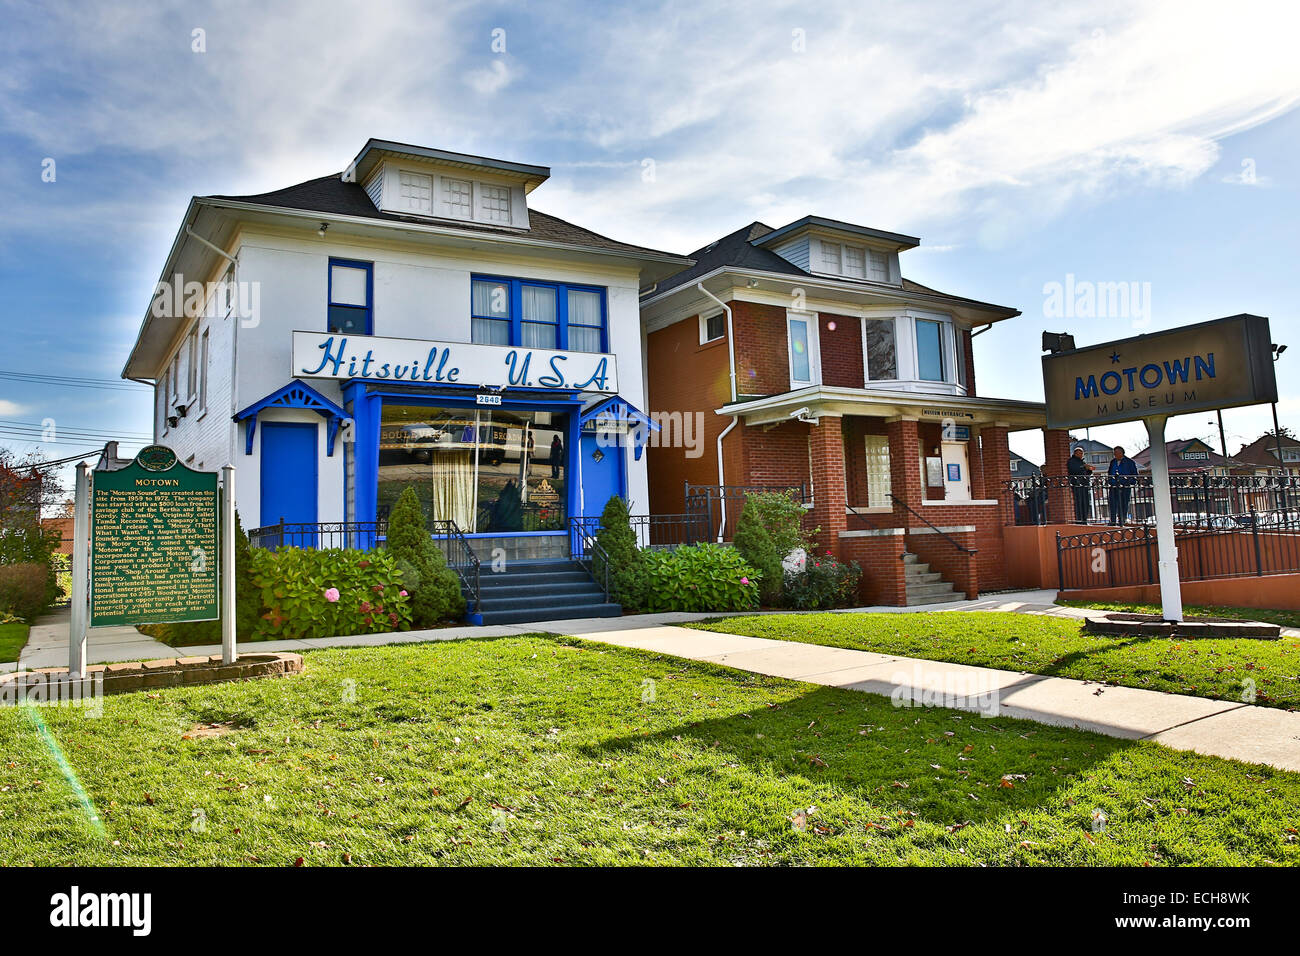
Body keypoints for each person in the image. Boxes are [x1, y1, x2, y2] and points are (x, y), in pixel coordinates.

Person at [1107, 445, 1138, 525]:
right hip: (1114, 486)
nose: (1115, 455)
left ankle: (1122, 520)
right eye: (1114, 453)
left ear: (1122, 453)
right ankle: (1113, 520)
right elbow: (1109, 473)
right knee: (1113, 503)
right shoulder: (1113, 462)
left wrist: (1129, 482)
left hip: (1125, 486)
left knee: (1124, 503)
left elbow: (1134, 474)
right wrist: (1110, 481)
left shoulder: (1129, 462)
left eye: (1117, 453)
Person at [1067, 446, 1095, 523]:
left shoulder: (1082, 462)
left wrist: (1089, 470)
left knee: (1085, 502)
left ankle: (1084, 519)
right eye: (1079, 453)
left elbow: (1086, 473)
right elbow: (1074, 470)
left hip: (1084, 484)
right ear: (1075, 453)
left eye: (1082, 453)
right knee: (1079, 502)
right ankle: (1079, 520)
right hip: (1077, 484)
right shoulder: (1071, 461)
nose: (1080, 454)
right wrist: (1084, 467)